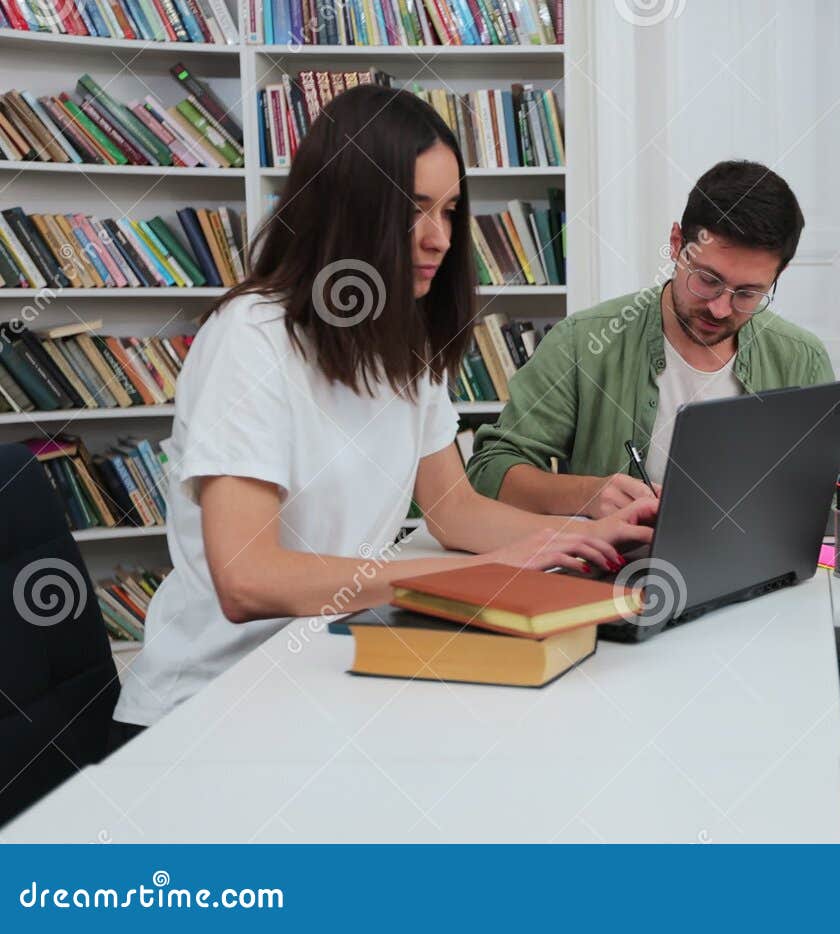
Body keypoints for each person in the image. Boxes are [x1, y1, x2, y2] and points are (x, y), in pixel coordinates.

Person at [110, 86, 653, 745]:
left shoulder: (403, 338)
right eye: (413, 210)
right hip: (207, 713)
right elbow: (248, 580)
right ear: (347, 209)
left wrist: (582, 534)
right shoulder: (250, 339)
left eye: (449, 212)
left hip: (328, 670)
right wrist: (486, 573)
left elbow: (454, 510)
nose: (439, 238)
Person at [466, 160, 834, 517]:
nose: (720, 309)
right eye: (708, 280)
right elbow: (489, 468)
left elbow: (814, 496)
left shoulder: (802, 360)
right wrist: (587, 495)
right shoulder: (582, 343)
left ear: (778, 274)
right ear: (676, 244)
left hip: (752, 559)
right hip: (616, 558)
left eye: (748, 293)